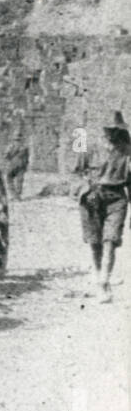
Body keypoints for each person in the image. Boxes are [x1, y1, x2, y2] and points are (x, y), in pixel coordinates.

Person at [79, 111, 131, 303]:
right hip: (91, 197)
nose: (111, 133)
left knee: (110, 241)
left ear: (120, 130)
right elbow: (75, 172)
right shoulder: (89, 148)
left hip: (116, 198)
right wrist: (82, 190)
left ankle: (104, 283)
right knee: (95, 242)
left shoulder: (127, 151)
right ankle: (98, 273)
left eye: (115, 130)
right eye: (108, 129)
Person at [4, 127, 30, 200]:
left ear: (14, 138)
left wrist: (8, 159)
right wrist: (25, 166)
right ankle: (18, 195)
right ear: (21, 138)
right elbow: (27, 158)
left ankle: (14, 195)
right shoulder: (25, 147)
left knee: (8, 178)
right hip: (22, 165)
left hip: (12, 165)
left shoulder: (11, 146)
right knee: (19, 180)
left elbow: (6, 156)